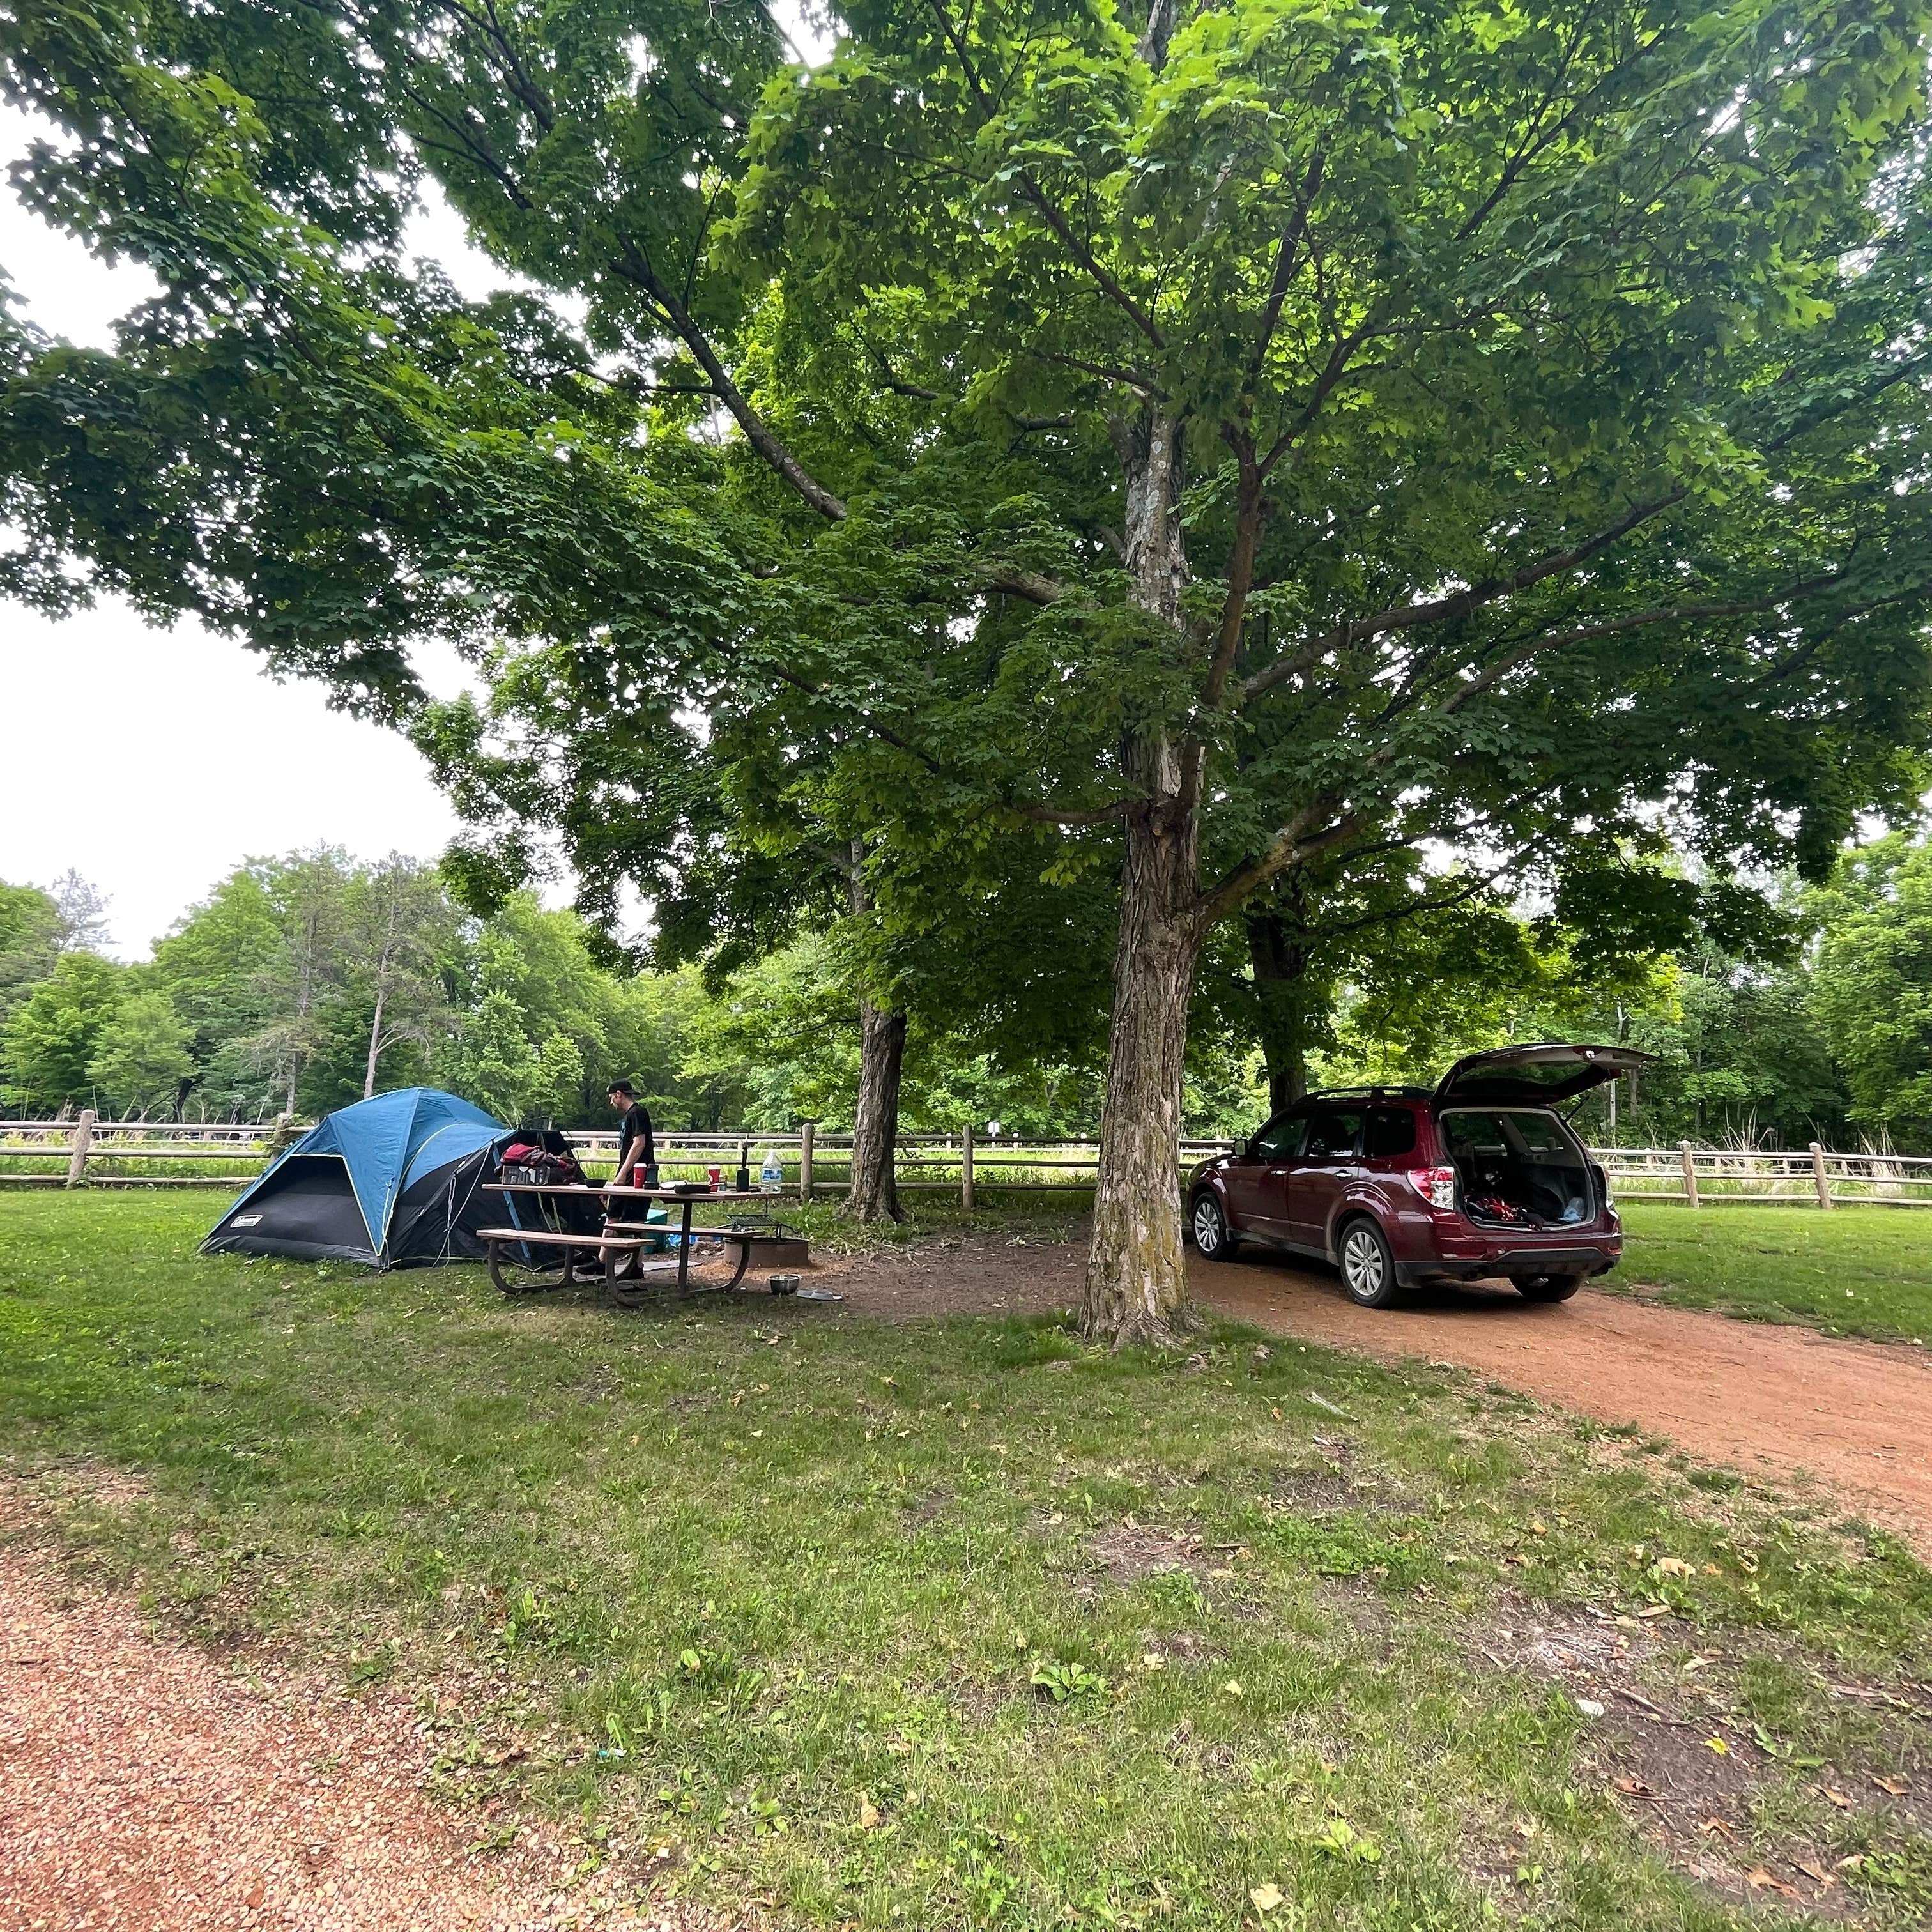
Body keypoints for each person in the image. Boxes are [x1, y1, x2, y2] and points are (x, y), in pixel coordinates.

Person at [599, 1081, 656, 1280]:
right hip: (629, 1171)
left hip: (638, 1174)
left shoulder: (638, 1113)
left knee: (636, 1220)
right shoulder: (629, 1116)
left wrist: (623, 1173)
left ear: (619, 1094)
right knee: (613, 1215)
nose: (611, 1102)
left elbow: (640, 1143)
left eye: (611, 1098)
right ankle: (602, 1261)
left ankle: (636, 1266)